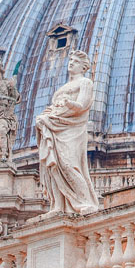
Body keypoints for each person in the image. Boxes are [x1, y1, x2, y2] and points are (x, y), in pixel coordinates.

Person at [35, 50, 101, 213]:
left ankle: (84, 201)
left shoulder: (85, 83)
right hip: (56, 126)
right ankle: (58, 204)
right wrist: (45, 116)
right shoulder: (64, 87)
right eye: (70, 60)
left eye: (75, 61)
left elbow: (82, 105)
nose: (71, 63)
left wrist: (68, 104)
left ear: (84, 67)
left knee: (69, 164)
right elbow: (54, 107)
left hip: (72, 127)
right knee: (55, 165)